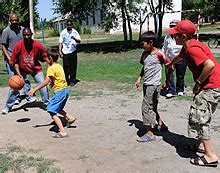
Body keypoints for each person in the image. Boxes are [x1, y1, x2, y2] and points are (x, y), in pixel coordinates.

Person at [166, 20, 219, 167]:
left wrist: (198, 83)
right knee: (198, 114)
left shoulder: (193, 49)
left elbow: (210, 65)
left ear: (183, 36)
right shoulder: (187, 46)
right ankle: (201, 146)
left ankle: (210, 156)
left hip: (211, 86)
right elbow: (180, 57)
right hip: (210, 86)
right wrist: (171, 63)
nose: (172, 37)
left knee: (201, 118)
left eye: (175, 35)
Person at [29, 48, 76, 138]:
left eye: (46, 58)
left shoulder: (51, 68)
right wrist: (52, 83)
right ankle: (70, 118)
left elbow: (45, 81)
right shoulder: (58, 66)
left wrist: (34, 89)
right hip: (65, 90)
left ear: (50, 58)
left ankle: (63, 132)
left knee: (51, 110)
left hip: (60, 92)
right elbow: (58, 77)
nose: (45, 60)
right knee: (57, 108)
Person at [135, 31, 169, 142]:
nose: (141, 46)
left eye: (142, 44)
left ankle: (150, 134)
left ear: (150, 42)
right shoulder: (144, 54)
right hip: (146, 84)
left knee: (145, 107)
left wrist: (167, 81)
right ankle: (161, 124)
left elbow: (169, 67)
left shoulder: (160, 54)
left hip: (154, 85)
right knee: (152, 107)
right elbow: (144, 67)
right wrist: (139, 77)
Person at [1, 13, 35, 115]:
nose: (14, 22)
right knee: (14, 83)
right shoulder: (6, 31)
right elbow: (3, 46)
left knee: (25, 79)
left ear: (18, 20)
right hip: (11, 60)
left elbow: (28, 41)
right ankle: (8, 106)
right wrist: (8, 57)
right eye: (12, 20)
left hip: (22, 59)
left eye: (16, 20)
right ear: (10, 20)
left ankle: (28, 96)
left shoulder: (23, 30)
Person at [10, 27, 49, 109]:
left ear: (31, 34)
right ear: (22, 35)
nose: (26, 37)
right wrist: (18, 74)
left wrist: (50, 68)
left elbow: (46, 56)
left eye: (28, 35)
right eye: (24, 35)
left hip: (35, 69)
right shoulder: (18, 45)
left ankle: (46, 104)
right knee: (13, 85)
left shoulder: (37, 44)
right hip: (22, 70)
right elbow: (14, 61)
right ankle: (8, 106)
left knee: (43, 85)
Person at [162, 19, 187, 98]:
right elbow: (164, 48)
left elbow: (185, 48)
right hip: (170, 59)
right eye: (171, 26)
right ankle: (171, 91)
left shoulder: (182, 36)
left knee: (180, 75)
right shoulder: (167, 37)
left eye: (174, 26)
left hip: (181, 59)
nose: (172, 28)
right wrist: (164, 58)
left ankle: (180, 90)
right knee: (169, 75)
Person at [59, 19, 81, 86]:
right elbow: (60, 42)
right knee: (66, 67)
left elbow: (79, 41)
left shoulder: (75, 32)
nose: (69, 26)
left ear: (72, 25)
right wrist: (60, 51)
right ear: (66, 25)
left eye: (70, 25)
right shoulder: (63, 32)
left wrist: (74, 38)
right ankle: (66, 80)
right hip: (65, 52)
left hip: (73, 51)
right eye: (68, 25)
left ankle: (72, 80)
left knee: (73, 67)